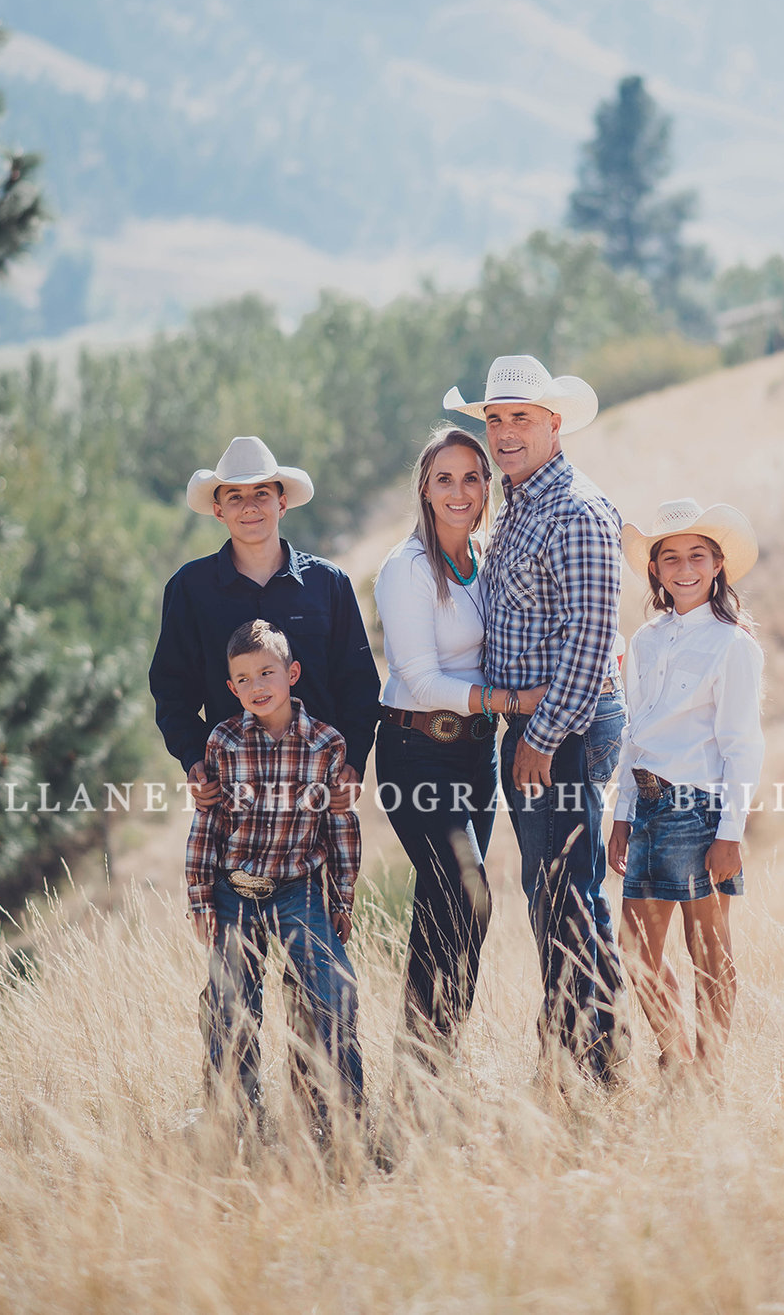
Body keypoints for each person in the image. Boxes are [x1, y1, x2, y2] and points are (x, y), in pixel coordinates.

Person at [443, 355, 628, 1083]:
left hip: (563, 726)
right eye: (494, 419)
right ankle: (574, 1062)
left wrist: (542, 739)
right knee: (553, 892)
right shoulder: (521, 500)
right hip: (535, 725)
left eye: (520, 418)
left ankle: (595, 1067)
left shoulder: (576, 509)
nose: (504, 432)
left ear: (554, 423)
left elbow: (590, 640)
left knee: (566, 893)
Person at [373, 426, 546, 1067]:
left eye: (472, 477)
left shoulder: (484, 560)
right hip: (416, 750)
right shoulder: (407, 567)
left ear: (487, 487)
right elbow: (418, 677)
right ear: (425, 487)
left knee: (445, 911)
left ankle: (427, 1075)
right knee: (469, 895)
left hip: (477, 757)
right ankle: (426, 1068)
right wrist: (510, 702)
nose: (459, 490)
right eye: (444, 478)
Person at [185, 619, 364, 1133]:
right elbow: (209, 825)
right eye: (243, 679)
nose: (256, 686)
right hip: (232, 889)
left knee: (334, 991)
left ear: (293, 673)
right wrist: (200, 900)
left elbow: (340, 825)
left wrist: (344, 896)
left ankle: (340, 1123)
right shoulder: (223, 741)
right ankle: (236, 1119)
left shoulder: (326, 743)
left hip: (298, 889)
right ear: (230, 688)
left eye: (267, 672)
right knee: (230, 1003)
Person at [606, 498, 764, 1078]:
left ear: (718, 564)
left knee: (708, 950)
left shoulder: (732, 645)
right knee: (633, 950)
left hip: (698, 806)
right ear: (656, 570)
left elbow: (743, 745)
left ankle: (711, 1073)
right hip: (647, 806)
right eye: (670, 558)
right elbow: (632, 730)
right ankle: (677, 1058)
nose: (684, 568)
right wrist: (622, 814)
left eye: (697, 556)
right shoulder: (645, 640)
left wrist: (731, 833)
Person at [149, 436, 379, 805]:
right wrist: (193, 757)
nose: (249, 507)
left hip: (320, 783)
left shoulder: (328, 583)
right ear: (219, 510)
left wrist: (354, 760)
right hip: (231, 786)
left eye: (261, 493)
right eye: (235, 497)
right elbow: (171, 688)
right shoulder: (190, 589)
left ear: (282, 503)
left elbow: (359, 683)